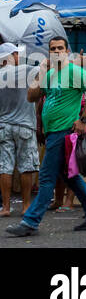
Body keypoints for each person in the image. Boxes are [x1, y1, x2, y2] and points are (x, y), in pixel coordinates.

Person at [5, 35, 86, 236]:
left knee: (46, 177)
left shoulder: (74, 71)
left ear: (67, 51)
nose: (57, 51)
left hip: (64, 132)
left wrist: (83, 120)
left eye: (60, 48)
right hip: (51, 133)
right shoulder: (49, 73)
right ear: (49, 52)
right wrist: (41, 73)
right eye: (53, 48)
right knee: (69, 176)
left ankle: (30, 222)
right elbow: (31, 96)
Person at [0, 43, 38, 218]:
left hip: (3, 126)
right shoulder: (24, 70)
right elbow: (46, 67)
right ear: (13, 55)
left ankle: (6, 207)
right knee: (26, 167)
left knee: (5, 167)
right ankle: (25, 206)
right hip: (24, 125)